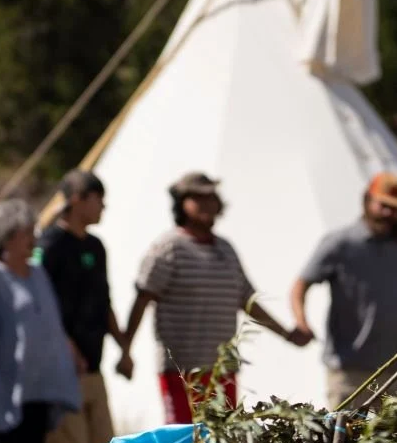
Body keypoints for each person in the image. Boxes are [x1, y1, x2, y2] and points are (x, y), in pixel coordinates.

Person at [121, 172, 310, 424]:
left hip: (222, 370)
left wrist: (287, 333)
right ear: (182, 203)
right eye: (198, 198)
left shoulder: (225, 250)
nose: (207, 204)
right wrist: (126, 350)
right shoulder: (169, 249)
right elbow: (143, 299)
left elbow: (248, 301)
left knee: (222, 442)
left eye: (211, 197)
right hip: (181, 369)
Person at [289, 172, 397, 410]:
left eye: (395, 209)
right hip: (349, 371)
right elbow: (301, 285)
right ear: (367, 201)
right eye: (384, 205)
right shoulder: (340, 243)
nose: (388, 214)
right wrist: (301, 321)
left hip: (393, 369)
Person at [0, 201, 82, 443]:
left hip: (37, 387)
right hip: (3, 386)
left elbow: (52, 321)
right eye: (27, 232)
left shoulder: (37, 273)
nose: (34, 238)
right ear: (7, 236)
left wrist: (70, 352)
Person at [36, 170, 125, 443]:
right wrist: (66, 348)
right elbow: (41, 309)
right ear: (77, 200)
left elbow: (104, 302)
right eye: (99, 200)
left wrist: (124, 347)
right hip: (60, 372)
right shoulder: (49, 246)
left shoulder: (96, 247)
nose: (103, 207)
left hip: (93, 367)